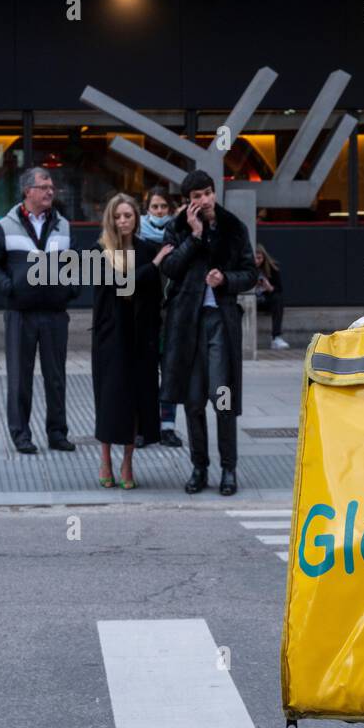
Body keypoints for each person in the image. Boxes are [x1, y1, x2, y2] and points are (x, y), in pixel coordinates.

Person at [159, 171, 258, 496]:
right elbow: (169, 268)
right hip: (187, 323)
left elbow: (250, 275)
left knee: (223, 397)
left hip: (221, 322)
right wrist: (196, 237)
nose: (203, 201)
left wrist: (226, 279)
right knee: (193, 400)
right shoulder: (177, 227)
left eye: (206, 194)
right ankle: (199, 466)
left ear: (214, 193)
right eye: (196, 196)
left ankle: (229, 469)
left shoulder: (234, 228)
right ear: (188, 202)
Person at [0, 166, 76, 455]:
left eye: (51, 187)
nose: (50, 191)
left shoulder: (63, 225)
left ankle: (57, 434)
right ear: (27, 191)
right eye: (44, 186)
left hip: (55, 314)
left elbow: (75, 264)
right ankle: (21, 435)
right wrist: (11, 288)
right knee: (20, 377)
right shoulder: (6, 226)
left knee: (56, 377)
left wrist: (69, 291)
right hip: (20, 314)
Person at [90, 194, 170, 489]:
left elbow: (153, 297)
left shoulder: (148, 248)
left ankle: (127, 463)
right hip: (110, 338)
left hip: (141, 338)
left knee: (137, 400)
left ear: (137, 218)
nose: (123, 221)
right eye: (118, 216)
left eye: (128, 215)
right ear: (110, 219)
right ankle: (106, 459)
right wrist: (155, 265)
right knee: (110, 400)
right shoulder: (99, 251)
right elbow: (122, 286)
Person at [138, 186, 184, 448]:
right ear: (147, 209)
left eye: (163, 207)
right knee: (144, 374)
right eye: (154, 207)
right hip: (145, 316)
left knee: (169, 373)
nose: (159, 212)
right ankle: (145, 427)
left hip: (170, 316)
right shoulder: (137, 237)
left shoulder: (177, 237)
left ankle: (168, 426)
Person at [254, 244, 288, 350]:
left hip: (265, 300)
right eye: (254, 258)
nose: (257, 261)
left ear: (264, 257)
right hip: (251, 301)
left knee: (278, 299)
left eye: (259, 258)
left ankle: (276, 337)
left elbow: (279, 289)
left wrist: (269, 288)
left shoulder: (271, 269)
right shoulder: (246, 268)